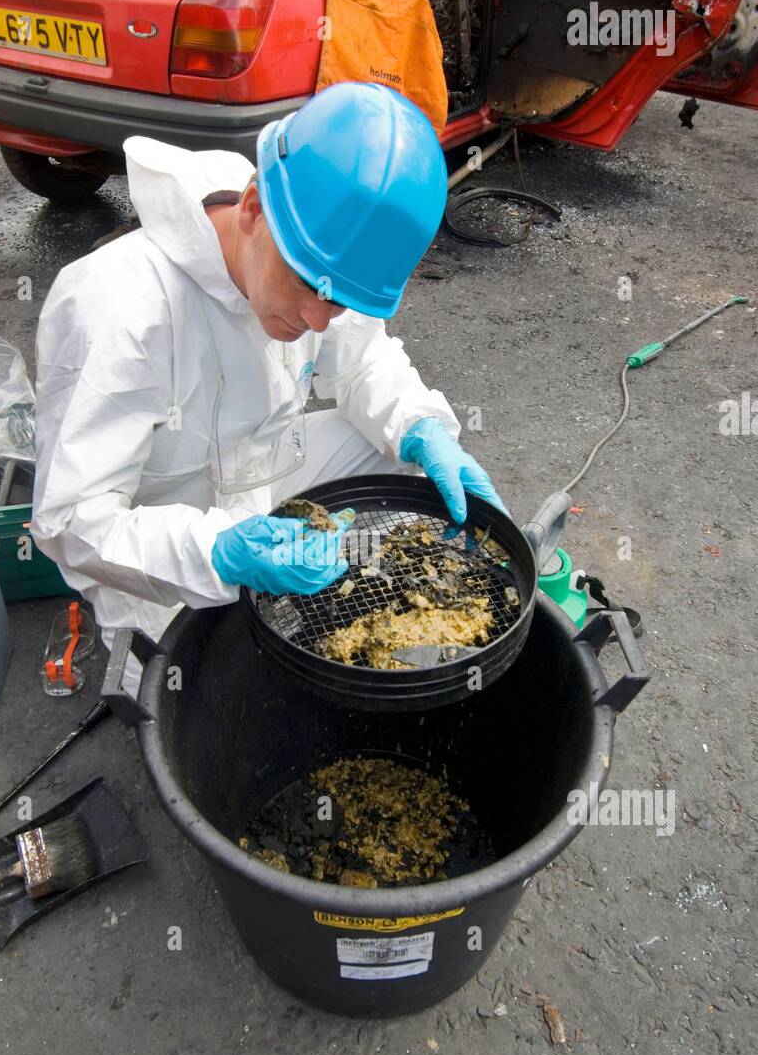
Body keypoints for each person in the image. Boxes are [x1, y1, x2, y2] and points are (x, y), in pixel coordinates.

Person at [31, 81, 505, 686]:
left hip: (265, 472)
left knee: (385, 444)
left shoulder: (317, 247)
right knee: (203, 683)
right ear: (251, 208)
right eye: (309, 289)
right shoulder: (117, 304)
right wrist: (222, 551)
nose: (315, 320)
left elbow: (360, 362)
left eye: (339, 304)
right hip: (164, 535)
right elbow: (71, 523)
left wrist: (422, 429)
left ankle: (301, 563)